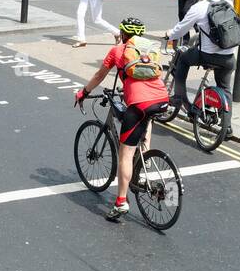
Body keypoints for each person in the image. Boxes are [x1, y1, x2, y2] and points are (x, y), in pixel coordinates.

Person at [73, 17, 171, 222]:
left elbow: (100, 75)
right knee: (146, 119)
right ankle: (145, 161)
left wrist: (84, 92)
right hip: (161, 99)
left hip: (139, 102)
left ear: (123, 34)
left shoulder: (118, 51)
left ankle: (121, 202)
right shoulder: (150, 50)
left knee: (125, 152)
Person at [166, 0, 240, 111]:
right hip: (229, 56)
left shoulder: (199, 7)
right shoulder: (229, 3)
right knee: (225, 89)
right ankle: (227, 128)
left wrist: (170, 34)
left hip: (208, 55)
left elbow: (181, 29)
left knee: (183, 59)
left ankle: (178, 97)